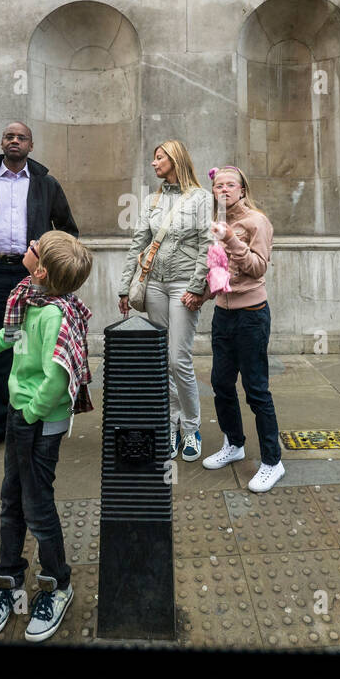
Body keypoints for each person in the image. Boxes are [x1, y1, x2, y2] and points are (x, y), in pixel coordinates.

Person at [0, 230, 93, 643]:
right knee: (10, 501)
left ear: (42, 268)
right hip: (21, 416)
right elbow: (10, 337)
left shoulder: (54, 315)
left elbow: (57, 376)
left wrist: (29, 414)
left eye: (34, 246)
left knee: (36, 506)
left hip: (37, 421)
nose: (28, 245)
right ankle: (9, 583)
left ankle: (57, 584)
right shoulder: (32, 303)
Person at [0, 122, 78, 461]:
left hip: (33, 275)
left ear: (31, 145)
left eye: (20, 137)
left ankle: (30, 416)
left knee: (34, 347)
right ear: (1, 141)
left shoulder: (46, 184)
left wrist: (53, 265)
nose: (14, 140)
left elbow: (68, 230)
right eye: (9, 136)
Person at [117, 140, 213, 461]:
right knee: (162, 361)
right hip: (154, 285)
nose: (154, 163)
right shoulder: (152, 199)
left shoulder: (201, 198)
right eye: (154, 158)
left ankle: (192, 427)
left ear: (175, 159)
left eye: (159, 158)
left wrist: (198, 286)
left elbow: (206, 244)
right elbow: (138, 243)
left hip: (184, 285)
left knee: (178, 359)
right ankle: (171, 424)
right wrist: (124, 286)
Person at [200, 165, 284, 493]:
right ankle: (234, 444)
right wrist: (201, 295)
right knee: (221, 383)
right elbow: (217, 271)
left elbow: (258, 266)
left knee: (256, 389)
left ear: (242, 189)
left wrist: (232, 239)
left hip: (252, 315)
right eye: (218, 185)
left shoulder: (256, 222)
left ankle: (272, 462)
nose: (223, 189)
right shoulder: (216, 223)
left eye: (230, 184)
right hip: (223, 315)